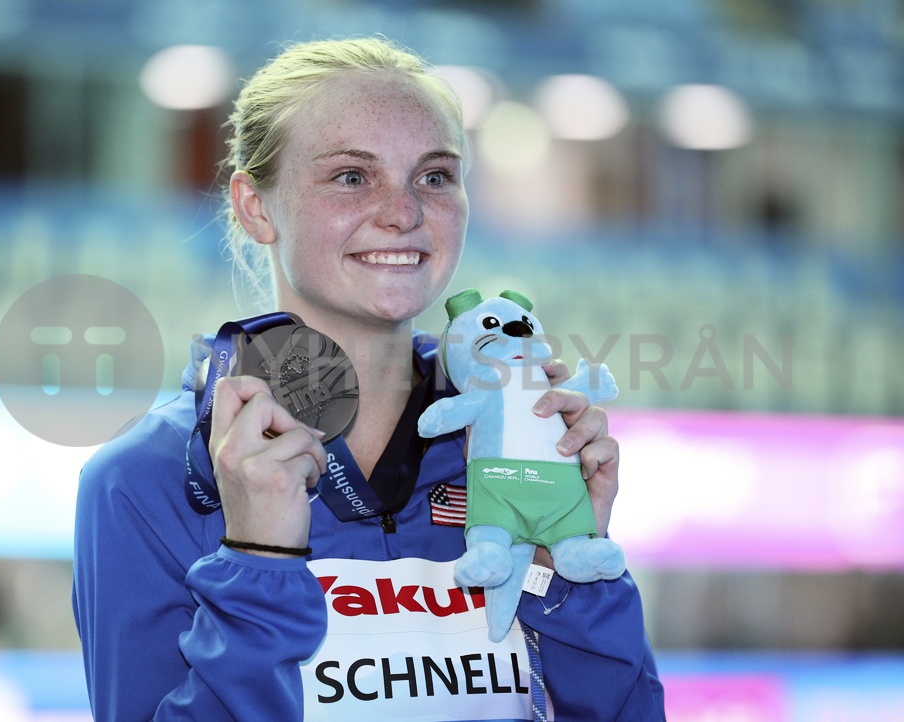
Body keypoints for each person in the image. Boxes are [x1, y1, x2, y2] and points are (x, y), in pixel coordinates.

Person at [72, 36, 665, 721]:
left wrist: (568, 569)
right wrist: (260, 559)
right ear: (255, 206)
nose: (405, 212)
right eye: (352, 176)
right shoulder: (146, 480)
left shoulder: (522, 448)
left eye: (435, 176)